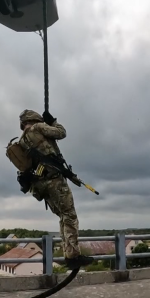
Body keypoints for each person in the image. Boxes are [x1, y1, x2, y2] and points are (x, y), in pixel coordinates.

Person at [16, 109, 93, 270]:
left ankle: (69, 253)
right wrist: (52, 122)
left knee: (63, 217)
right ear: (34, 119)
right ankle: (73, 256)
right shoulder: (38, 128)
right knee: (70, 216)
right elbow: (61, 133)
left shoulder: (22, 141)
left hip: (41, 186)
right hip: (55, 180)